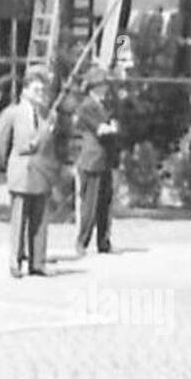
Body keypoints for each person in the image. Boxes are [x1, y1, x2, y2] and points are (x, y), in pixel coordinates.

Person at [0, 66, 60, 277]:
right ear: (25, 90)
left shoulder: (47, 116)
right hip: (21, 171)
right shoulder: (12, 113)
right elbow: (2, 141)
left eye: (42, 91)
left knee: (40, 220)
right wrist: (7, 163)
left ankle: (37, 262)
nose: (40, 94)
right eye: (36, 90)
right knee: (19, 220)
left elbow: (50, 145)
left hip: (41, 172)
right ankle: (15, 261)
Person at [74, 68, 119, 256]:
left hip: (106, 160)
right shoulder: (86, 106)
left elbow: (113, 127)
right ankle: (82, 242)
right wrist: (111, 128)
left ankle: (104, 242)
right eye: (102, 84)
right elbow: (100, 130)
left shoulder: (105, 105)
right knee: (89, 205)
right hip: (91, 160)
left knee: (105, 204)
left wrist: (112, 128)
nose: (106, 88)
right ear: (94, 87)